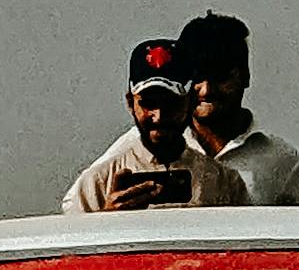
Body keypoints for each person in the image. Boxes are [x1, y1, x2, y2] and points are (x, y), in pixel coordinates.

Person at [61, 38, 244, 216]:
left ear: (191, 102)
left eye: (171, 104)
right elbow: (71, 243)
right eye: (148, 104)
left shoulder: (224, 183)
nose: (159, 116)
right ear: (130, 103)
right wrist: (107, 217)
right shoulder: (98, 183)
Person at [175, 13, 299, 206]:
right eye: (196, 77)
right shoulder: (141, 151)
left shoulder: (282, 161)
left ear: (245, 76)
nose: (206, 90)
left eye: (221, 76)